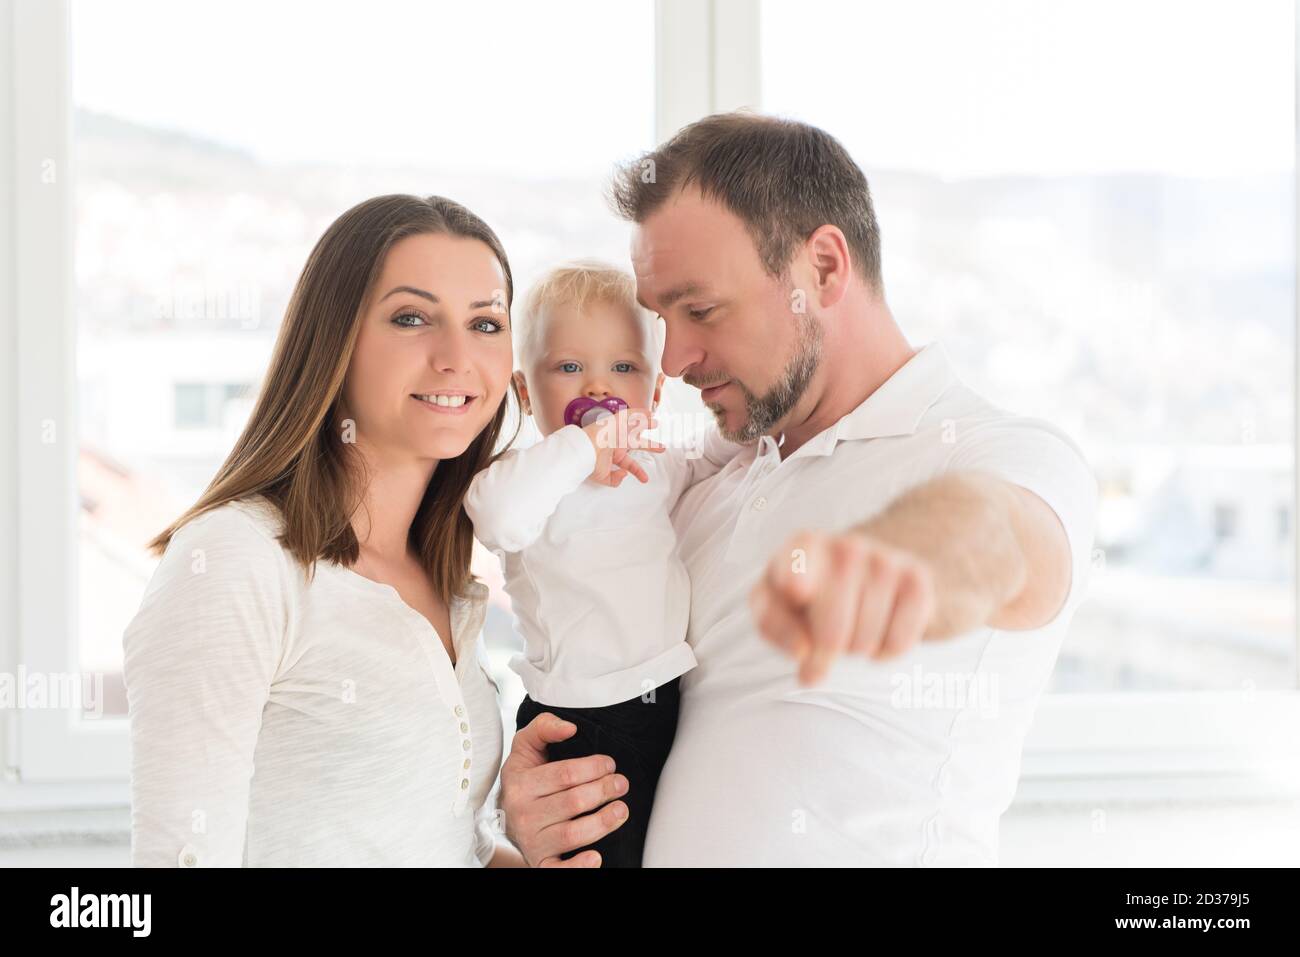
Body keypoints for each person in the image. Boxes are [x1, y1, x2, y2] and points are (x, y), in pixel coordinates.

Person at [500, 112, 1098, 866]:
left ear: (821, 267)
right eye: (660, 322)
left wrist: (916, 551)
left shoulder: (990, 451)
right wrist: (540, 807)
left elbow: (1012, 544)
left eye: (701, 309)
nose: (675, 359)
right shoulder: (703, 479)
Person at [124, 194, 532, 866]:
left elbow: (440, 842)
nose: (457, 355)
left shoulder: (447, 575)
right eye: (412, 317)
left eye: (485, 323)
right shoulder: (235, 561)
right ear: (334, 341)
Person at [464, 261, 745, 866]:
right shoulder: (529, 477)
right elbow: (498, 519)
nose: (597, 388)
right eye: (568, 368)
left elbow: (729, 444)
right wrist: (582, 447)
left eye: (624, 367)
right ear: (522, 391)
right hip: (579, 717)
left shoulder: (659, 464)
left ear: (657, 391)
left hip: (666, 698)